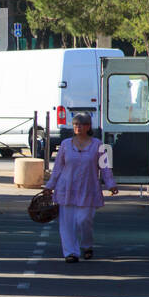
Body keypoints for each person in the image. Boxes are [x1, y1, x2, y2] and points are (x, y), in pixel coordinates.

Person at [43, 112, 118, 262]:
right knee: (67, 223)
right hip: (66, 188)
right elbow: (58, 167)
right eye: (75, 124)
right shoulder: (65, 144)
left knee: (84, 220)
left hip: (88, 188)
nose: (78, 127)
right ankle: (70, 252)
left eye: (81, 124)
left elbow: (105, 167)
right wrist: (50, 185)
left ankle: (87, 245)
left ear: (88, 126)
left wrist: (110, 184)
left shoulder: (98, 145)